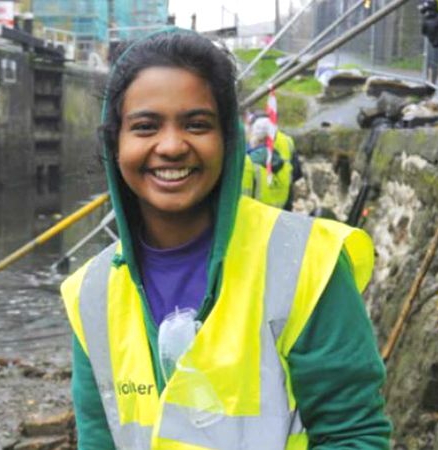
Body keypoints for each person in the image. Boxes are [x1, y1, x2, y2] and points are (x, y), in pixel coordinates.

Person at [60, 30, 391, 448]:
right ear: (115, 142)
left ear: (228, 138)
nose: (172, 145)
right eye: (145, 126)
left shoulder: (307, 263)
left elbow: (353, 435)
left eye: (196, 125)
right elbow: (99, 439)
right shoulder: (91, 294)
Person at [241, 115, 301, 211]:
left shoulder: (248, 164)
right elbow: (289, 203)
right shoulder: (286, 166)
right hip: (277, 220)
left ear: (256, 138)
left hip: (254, 221)